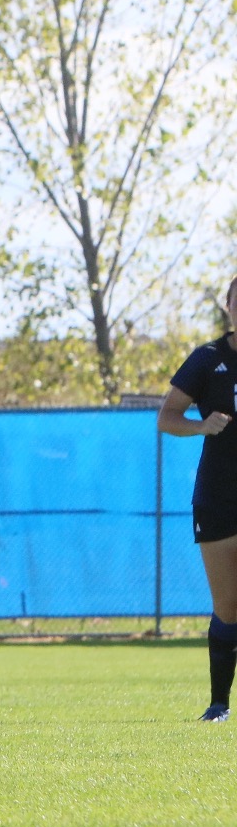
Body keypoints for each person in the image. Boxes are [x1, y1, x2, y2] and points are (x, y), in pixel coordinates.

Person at [158, 276, 237, 721]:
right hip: (219, 497)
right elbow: (167, 417)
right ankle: (219, 704)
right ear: (228, 307)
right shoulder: (209, 359)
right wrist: (201, 426)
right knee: (228, 606)